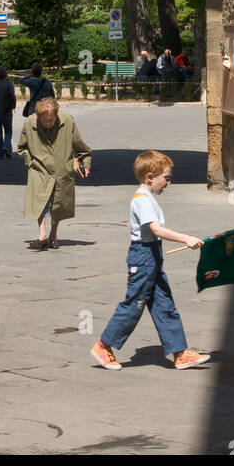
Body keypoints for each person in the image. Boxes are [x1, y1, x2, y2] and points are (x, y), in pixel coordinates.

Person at [90, 149, 210, 370]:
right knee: (134, 304)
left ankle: (180, 353)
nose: (169, 182)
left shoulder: (146, 198)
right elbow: (155, 229)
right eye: (166, 177)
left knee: (164, 303)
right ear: (150, 176)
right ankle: (103, 345)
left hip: (151, 254)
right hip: (143, 255)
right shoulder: (142, 200)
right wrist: (186, 238)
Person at [17, 97, 92, 249]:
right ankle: (42, 235)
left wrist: (86, 164)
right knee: (40, 202)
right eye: (44, 120)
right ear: (38, 116)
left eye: (50, 120)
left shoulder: (67, 121)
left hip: (61, 170)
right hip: (39, 170)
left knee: (57, 204)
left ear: (56, 115)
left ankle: (54, 234)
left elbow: (81, 146)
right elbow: (22, 147)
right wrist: (30, 162)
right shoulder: (30, 123)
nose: (47, 123)